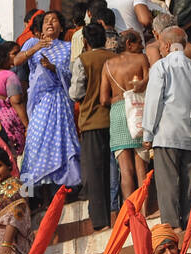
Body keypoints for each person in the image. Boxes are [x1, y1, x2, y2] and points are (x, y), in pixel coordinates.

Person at [144, 27, 191, 229]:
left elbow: (154, 102)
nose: (160, 50)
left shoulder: (161, 66)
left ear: (168, 45)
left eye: (161, 46)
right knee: (190, 185)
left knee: (167, 184)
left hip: (166, 134)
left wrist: (147, 132)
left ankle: (171, 228)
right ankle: (190, 226)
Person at [20, 11, 81, 196]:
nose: (50, 23)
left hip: (60, 100)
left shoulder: (68, 47)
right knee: (35, 143)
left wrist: (53, 68)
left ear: (61, 28)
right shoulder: (33, 44)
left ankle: (64, 192)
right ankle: (32, 197)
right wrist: (35, 48)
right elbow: (15, 61)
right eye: (46, 21)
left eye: (54, 20)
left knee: (61, 142)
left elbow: (73, 74)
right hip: (39, 103)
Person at [103, 30, 151, 205]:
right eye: (139, 42)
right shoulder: (141, 59)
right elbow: (149, 82)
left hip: (117, 112)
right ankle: (144, 210)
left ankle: (129, 212)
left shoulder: (108, 65)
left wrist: (119, 98)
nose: (142, 46)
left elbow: (103, 99)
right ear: (129, 44)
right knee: (141, 167)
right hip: (137, 110)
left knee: (125, 170)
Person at [76, 22, 115, 231]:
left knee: (95, 171)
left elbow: (76, 92)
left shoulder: (83, 60)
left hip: (91, 119)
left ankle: (101, 220)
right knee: (116, 169)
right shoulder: (114, 57)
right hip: (114, 117)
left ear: (85, 41)